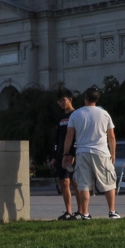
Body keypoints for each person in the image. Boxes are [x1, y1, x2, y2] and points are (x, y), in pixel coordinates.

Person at [62, 86, 120, 220]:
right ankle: (112, 211)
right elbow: (111, 136)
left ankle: (85, 213)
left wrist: (66, 154)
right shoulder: (104, 114)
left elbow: (69, 136)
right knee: (108, 183)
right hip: (101, 151)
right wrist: (113, 153)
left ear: (85, 98)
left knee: (83, 185)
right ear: (97, 99)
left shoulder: (75, 114)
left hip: (82, 152)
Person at [51, 87, 78, 220]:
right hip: (61, 155)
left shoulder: (77, 115)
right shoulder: (60, 117)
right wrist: (54, 156)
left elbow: (77, 136)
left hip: (73, 155)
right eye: (59, 101)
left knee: (76, 182)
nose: (61, 103)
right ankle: (69, 211)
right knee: (64, 182)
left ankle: (81, 211)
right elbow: (57, 138)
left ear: (70, 100)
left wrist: (72, 153)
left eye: (63, 100)